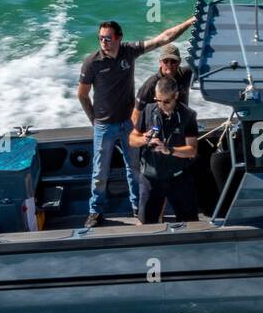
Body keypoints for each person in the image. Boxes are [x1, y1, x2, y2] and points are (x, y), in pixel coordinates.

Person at [79, 16, 195, 226]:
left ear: (119, 38)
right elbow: (82, 95)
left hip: (128, 123)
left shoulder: (129, 51)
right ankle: (95, 211)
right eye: (100, 38)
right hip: (103, 125)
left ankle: (136, 207)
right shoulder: (91, 62)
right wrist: (93, 120)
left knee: (134, 168)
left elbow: (163, 38)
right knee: (99, 172)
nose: (103, 42)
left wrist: (191, 22)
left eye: (107, 38)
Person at [128, 76, 200, 224]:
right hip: (151, 177)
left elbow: (192, 150)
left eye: (166, 101)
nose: (162, 105)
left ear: (176, 96)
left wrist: (170, 150)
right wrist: (144, 139)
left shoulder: (188, 115)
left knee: (190, 222)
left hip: (178, 177)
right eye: (158, 100)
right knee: (146, 223)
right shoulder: (148, 110)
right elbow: (132, 139)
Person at [131, 43, 193, 129]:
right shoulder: (150, 85)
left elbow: (204, 66)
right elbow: (136, 114)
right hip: (158, 129)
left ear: (179, 62)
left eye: (173, 61)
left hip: (181, 126)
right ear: (160, 62)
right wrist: (136, 137)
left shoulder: (186, 74)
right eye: (165, 61)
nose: (169, 65)